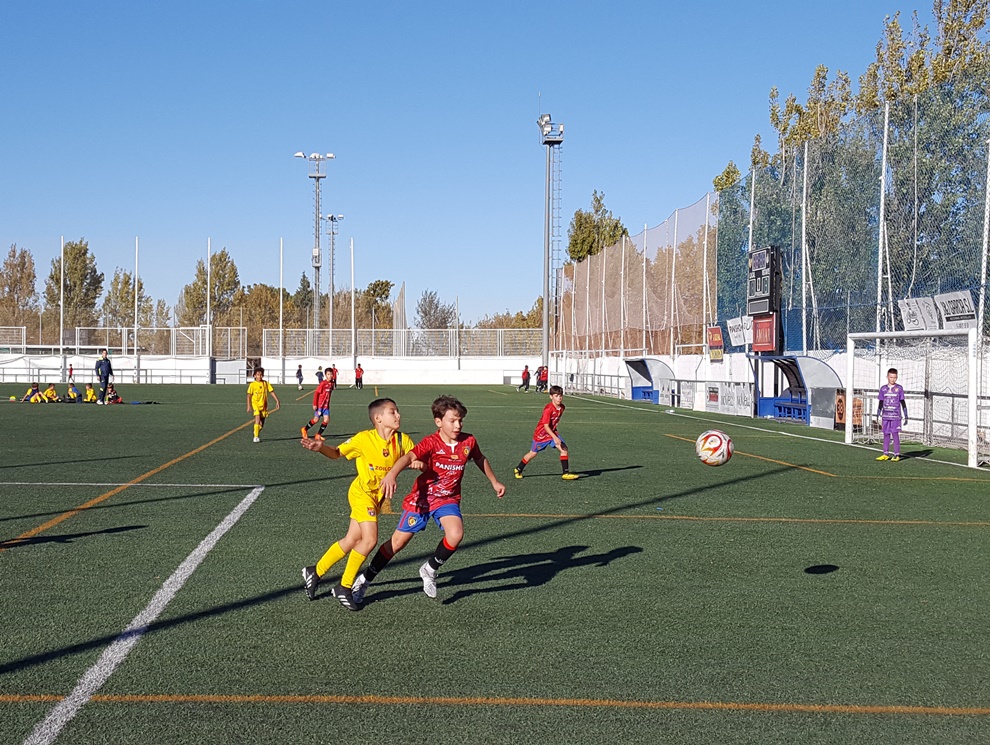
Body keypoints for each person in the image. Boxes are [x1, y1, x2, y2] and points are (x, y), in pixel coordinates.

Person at [352, 396, 505, 603]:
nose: (458, 425)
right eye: (452, 421)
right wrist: (392, 474)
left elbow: (479, 458)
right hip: (422, 499)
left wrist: (494, 481)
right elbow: (408, 458)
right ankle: (366, 579)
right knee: (397, 543)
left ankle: (430, 569)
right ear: (438, 422)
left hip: (448, 499)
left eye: (460, 421)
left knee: (456, 533)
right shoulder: (431, 442)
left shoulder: (469, 442)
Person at [300, 397, 418, 610]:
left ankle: (314, 571)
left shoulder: (403, 440)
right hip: (361, 493)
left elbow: (417, 457)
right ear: (378, 418)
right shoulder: (364, 439)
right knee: (370, 539)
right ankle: (344, 586)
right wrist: (321, 448)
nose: (398, 415)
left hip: (376, 497)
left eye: (398, 411)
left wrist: (419, 462)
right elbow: (337, 453)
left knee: (351, 540)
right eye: (393, 412)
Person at [514, 385, 580, 480]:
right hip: (541, 434)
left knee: (564, 449)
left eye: (560, 395)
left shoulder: (562, 407)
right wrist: (555, 437)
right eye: (556, 396)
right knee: (533, 453)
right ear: (551, 396)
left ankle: (565, 473)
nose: (559, 398)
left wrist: (555, 435)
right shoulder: (548, 409)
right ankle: (518, 468)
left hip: (552, 432)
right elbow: (545, 426)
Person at [876, 367, 908, 462]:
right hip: (885, 415)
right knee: (886, 434)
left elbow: (903, 402)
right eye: (891, 377)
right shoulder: (883, 389)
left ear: (897, 377)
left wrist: (906, 415)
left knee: (895, 434)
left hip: (895, 416)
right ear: (887, 377)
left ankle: (896, 454)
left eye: (894, 377)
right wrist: (878, 413)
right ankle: (885, 454)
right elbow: (881, 402)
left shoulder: (899, 388)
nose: (892, 379)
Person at [246, 367, 280, 443]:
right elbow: (249, 395)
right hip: (255, 404)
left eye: (261, 375)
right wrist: (248, 406)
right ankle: (256, 437)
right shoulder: (252, 385)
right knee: (257, 419)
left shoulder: (265, 383)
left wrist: (277, 401)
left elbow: (271, 392)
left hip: (263, 406)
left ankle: (256, 430)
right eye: (258, 375)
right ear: (254, 376)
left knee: (261, 424)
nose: (259, 376)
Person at [301, 367, 333, 441]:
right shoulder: (323, 384)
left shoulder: (331, 383)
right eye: (328, 374)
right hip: (320, 405)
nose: (330, 375)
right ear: (325, 375)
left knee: (327, 420)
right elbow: (316, 393)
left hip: (326, 406)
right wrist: (315, 404)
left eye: (331, 374)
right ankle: (304, 429)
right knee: (316, 420)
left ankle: (318, 435)